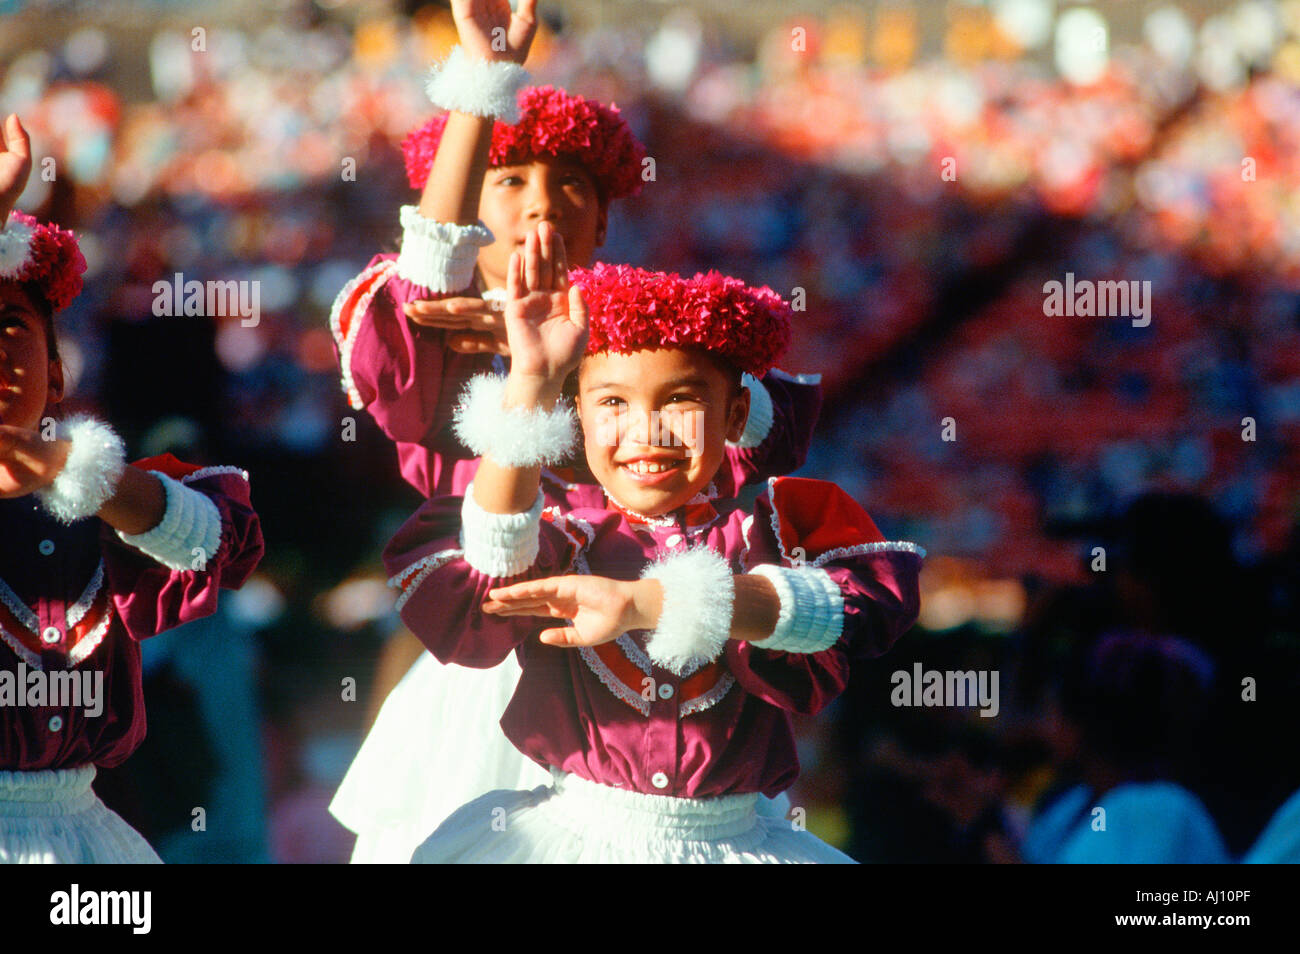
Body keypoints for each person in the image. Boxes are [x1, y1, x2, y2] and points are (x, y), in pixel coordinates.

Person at [329, 0, 821, 862]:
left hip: (654, 666)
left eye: (571, 187)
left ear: (604, 221)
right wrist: (482, 86)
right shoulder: (432, 334)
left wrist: (599, 343)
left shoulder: (654, 345)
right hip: (490, 678)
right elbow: (414, 297)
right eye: (509, 180)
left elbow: (764, 427)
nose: (541, 207)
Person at [384, 228, 923, 862]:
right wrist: (530, 380)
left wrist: (648, 603)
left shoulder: (766, 536)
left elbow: (856, 611)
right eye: (612, 401)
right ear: (577, 413)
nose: (646, 429)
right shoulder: (564, 536)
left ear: (732, 416)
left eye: (681, 400)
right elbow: (484, 573)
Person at [0, 114, 264, 863]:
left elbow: (216, 541)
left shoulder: (111, 504)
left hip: (83, 846)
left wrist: (69, 473)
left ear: (58, 372)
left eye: (10, 326)